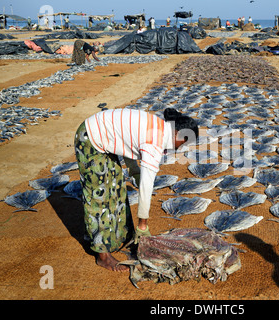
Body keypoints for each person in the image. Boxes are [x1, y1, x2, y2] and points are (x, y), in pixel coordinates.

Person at [74, 108, 198, 271]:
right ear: (177, 135)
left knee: (116, 187)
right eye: (184, 143)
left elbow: (126, 142)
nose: (181, 148)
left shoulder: (161, 128)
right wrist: (143, 224)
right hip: (90, 138)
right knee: (99, 195)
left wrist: (134, 172)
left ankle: (113, 238)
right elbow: (146, 188)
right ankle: (102, 256)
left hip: (104, 137)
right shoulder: (156, 141)